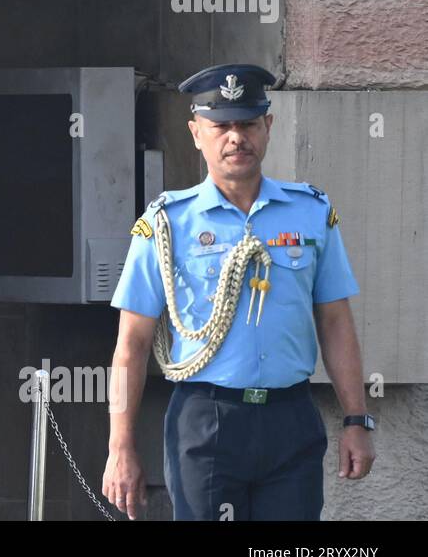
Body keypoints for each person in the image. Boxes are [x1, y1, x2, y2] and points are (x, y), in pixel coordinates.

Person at [103, 64, 375, 521]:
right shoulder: (168, 223)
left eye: (248, 123)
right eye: (221, 126)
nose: (236, 138)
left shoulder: (310, 212)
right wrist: (120, 445)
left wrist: (356, 419)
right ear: (196, 133)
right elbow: (131, 344)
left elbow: (335, 321)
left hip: (290, 418)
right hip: (207, 419)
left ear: (268, 127)